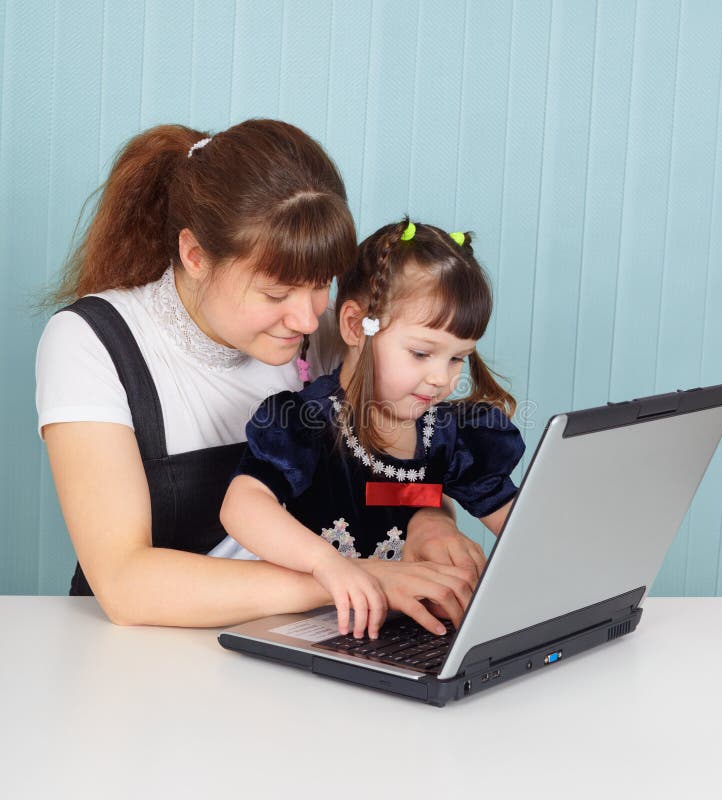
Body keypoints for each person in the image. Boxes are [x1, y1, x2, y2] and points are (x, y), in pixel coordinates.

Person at [35, 120, 480, 630]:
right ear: (195, 255)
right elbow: (124, 583)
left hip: (291, 644)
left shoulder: (336, 332)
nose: (309, 319)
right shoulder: (92, 342)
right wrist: (352, 579)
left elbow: (380, 478)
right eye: (276, 294)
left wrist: (427, 519)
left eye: (321, 285)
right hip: (141, 660)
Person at [220, 219, 525, 640]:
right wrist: (327, 564)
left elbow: (379, 492)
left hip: (391, 636)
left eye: (458, 359)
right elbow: (241, 507)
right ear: (354, 326)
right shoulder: (308, 423)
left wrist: (431, 518)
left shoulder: (447, 435)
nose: (442, 378)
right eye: (421, 353)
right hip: (305, 628)